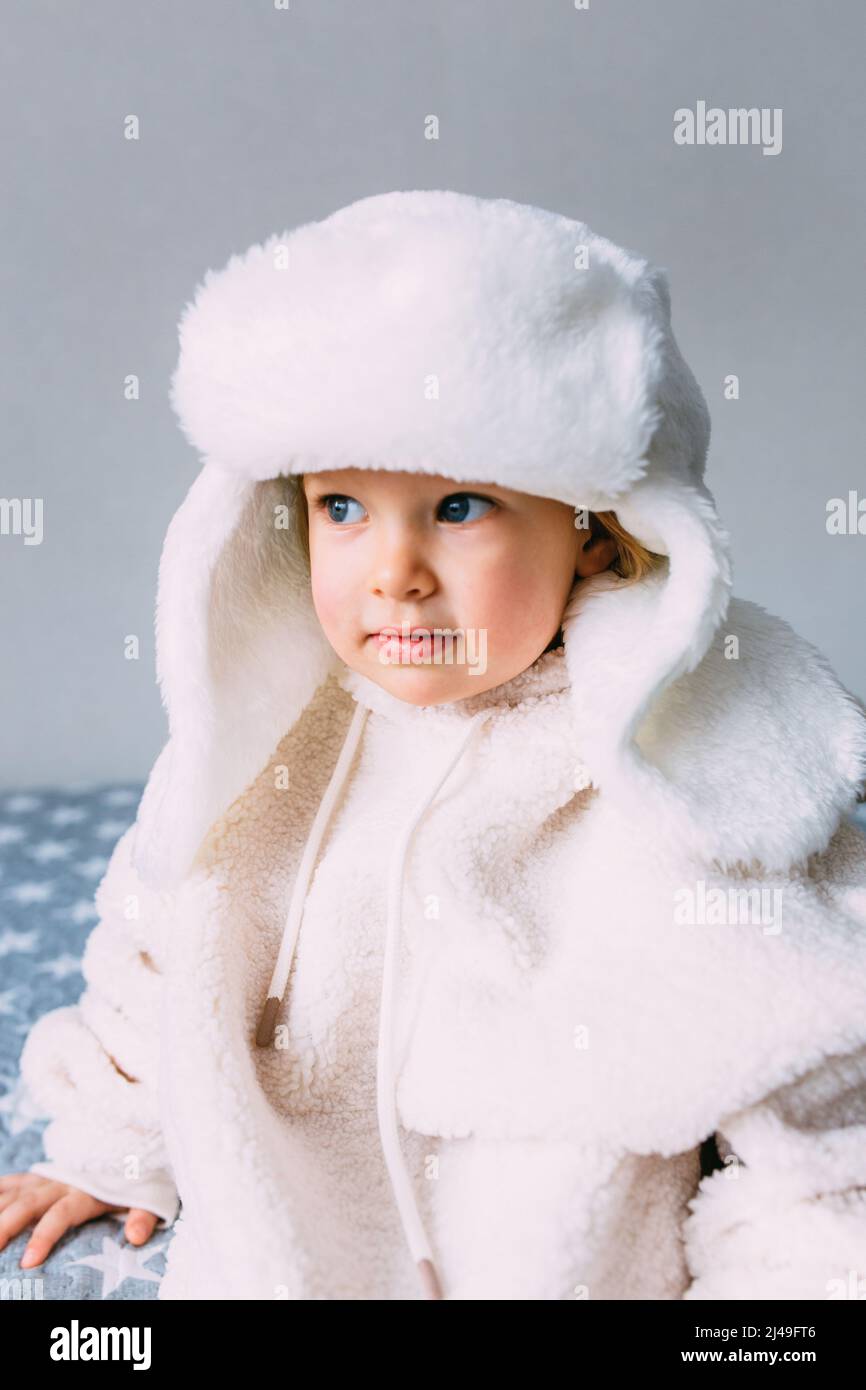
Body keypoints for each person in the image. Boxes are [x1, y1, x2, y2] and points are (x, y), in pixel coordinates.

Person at [4, 189, 866, 1300]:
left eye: (459, 506)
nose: (391, 569)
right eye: (341, 508)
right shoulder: (271, 752)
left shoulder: (680, 761)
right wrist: (114, 1140)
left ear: (598, 532)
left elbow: (807, 1053)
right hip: (281, 1251)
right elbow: (167, 938)